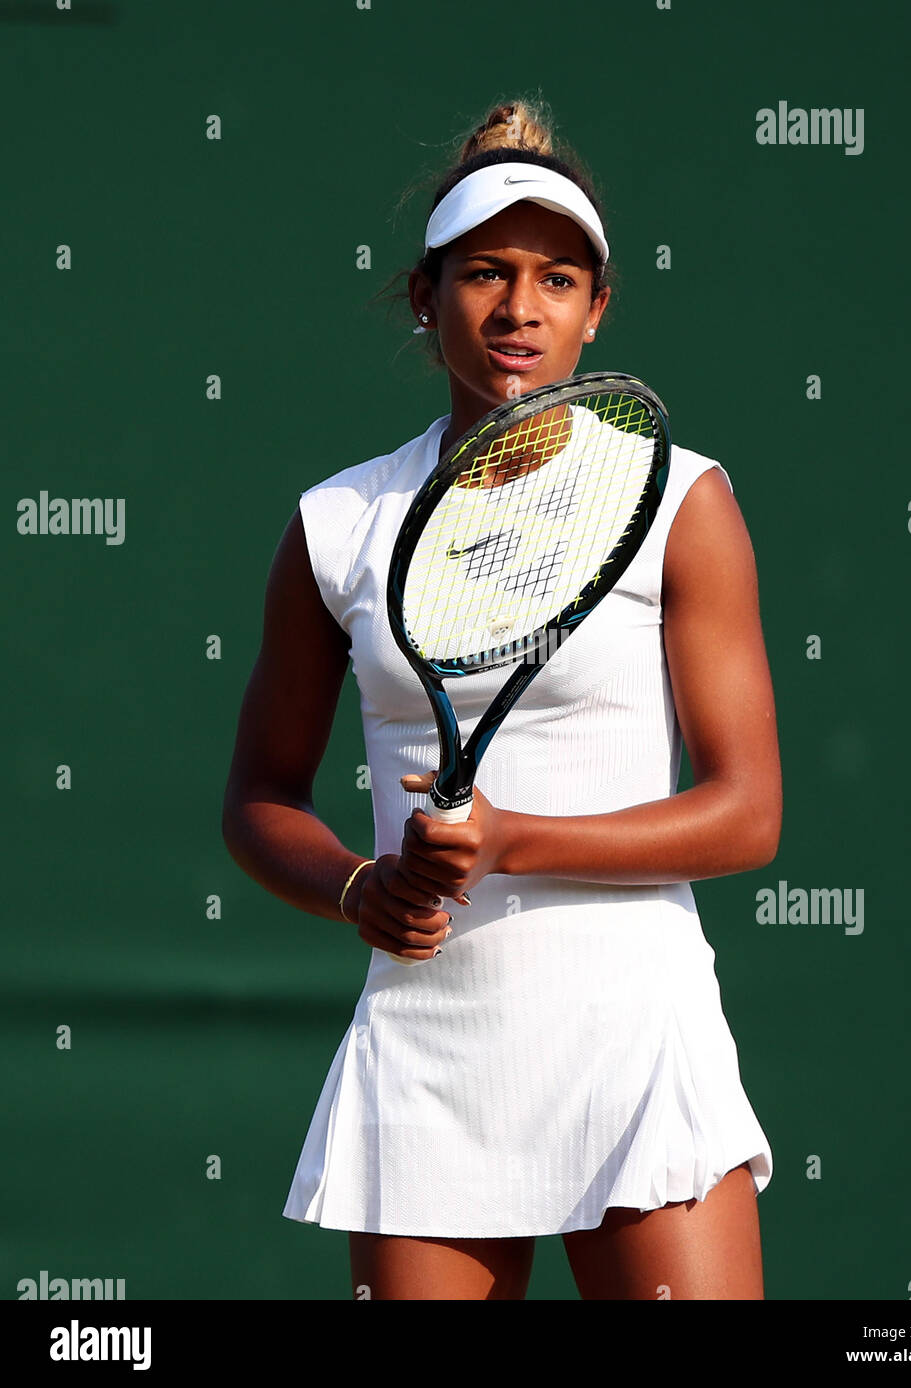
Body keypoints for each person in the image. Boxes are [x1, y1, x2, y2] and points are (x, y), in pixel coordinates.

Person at [222, 98, 782, 1301]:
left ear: (596, 309)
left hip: (632, 1032)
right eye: (484, 271)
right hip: (431, 1047)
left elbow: (745, 815)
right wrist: (361, 886)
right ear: (425, 297)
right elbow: (260, 798)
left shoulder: (683, 501)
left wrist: (509, 842)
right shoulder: (339, 525)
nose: (519, 308)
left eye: (557, 278)